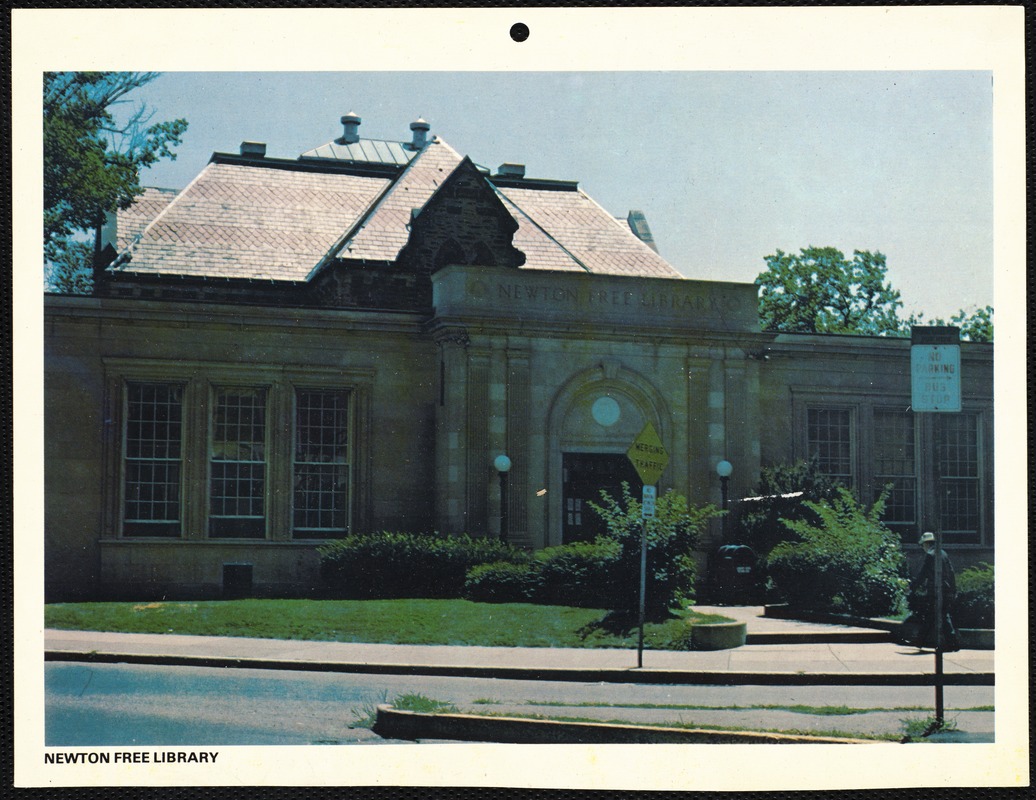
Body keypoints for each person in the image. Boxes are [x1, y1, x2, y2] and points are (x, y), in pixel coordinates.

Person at [904, 531, 960, 651]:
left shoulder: (930, 555)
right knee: (939, 615)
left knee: (934, 615)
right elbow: (951, 572)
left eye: (922, 545)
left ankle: (950, 643)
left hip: (935, 590)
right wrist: (953, 589)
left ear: (926, 544)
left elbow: (923, 574)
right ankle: (923, 641)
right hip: (946, 589)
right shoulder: (943, 553)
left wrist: (912, 587)